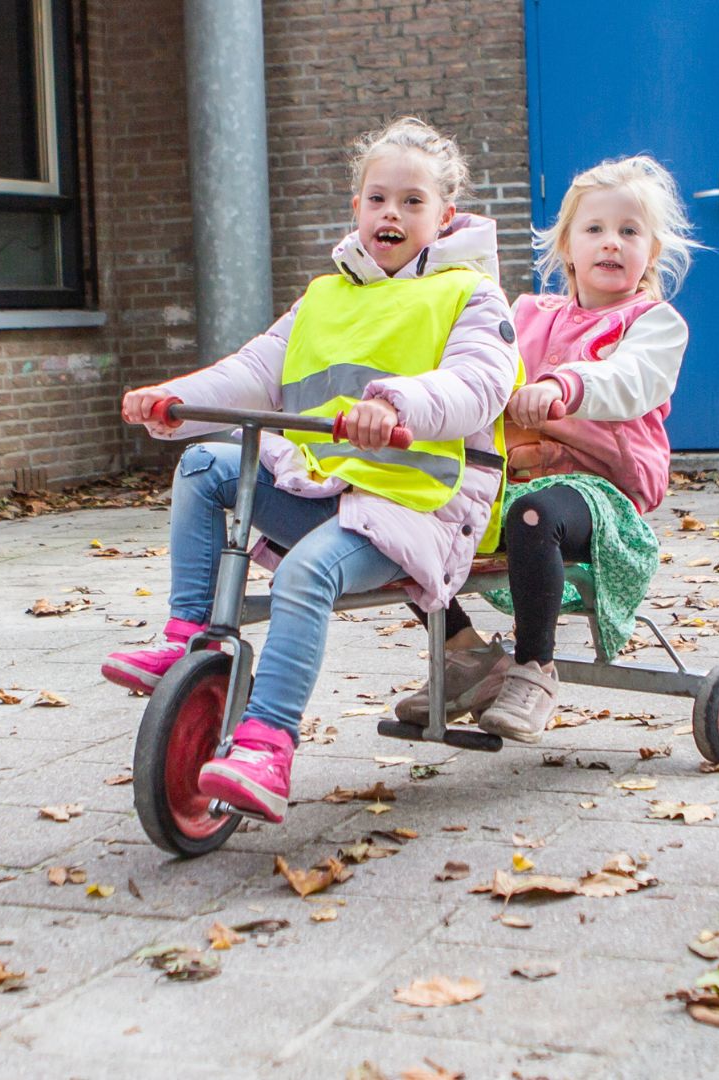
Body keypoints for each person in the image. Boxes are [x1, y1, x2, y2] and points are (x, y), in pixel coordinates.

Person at [105, 117, 520, 823]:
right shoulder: (324, 298)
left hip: (416, 503)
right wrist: (179, 399)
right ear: (356, 207)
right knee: (206, 461)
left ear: (445, 216)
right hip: (327, 486)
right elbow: (255, 373)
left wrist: (397, 404)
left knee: (307, 572)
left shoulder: (470, 296)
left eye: (412, 202)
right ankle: (186, 637)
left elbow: (480, 384)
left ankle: (268, 743)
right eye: (377, 198)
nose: (391, 213)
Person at [394, 154, 698, 744]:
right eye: (595, 230)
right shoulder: (526, 313)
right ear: (567, 248)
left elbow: (633, 380)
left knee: (533, 514)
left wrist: (564, 385)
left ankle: (535, 667)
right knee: (402, 508)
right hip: (514, 478)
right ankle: (465, 652)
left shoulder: (654, 323)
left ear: (651, 254)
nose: (612, 243)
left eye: (629, 232)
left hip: (600, 492)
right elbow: (480, 364)